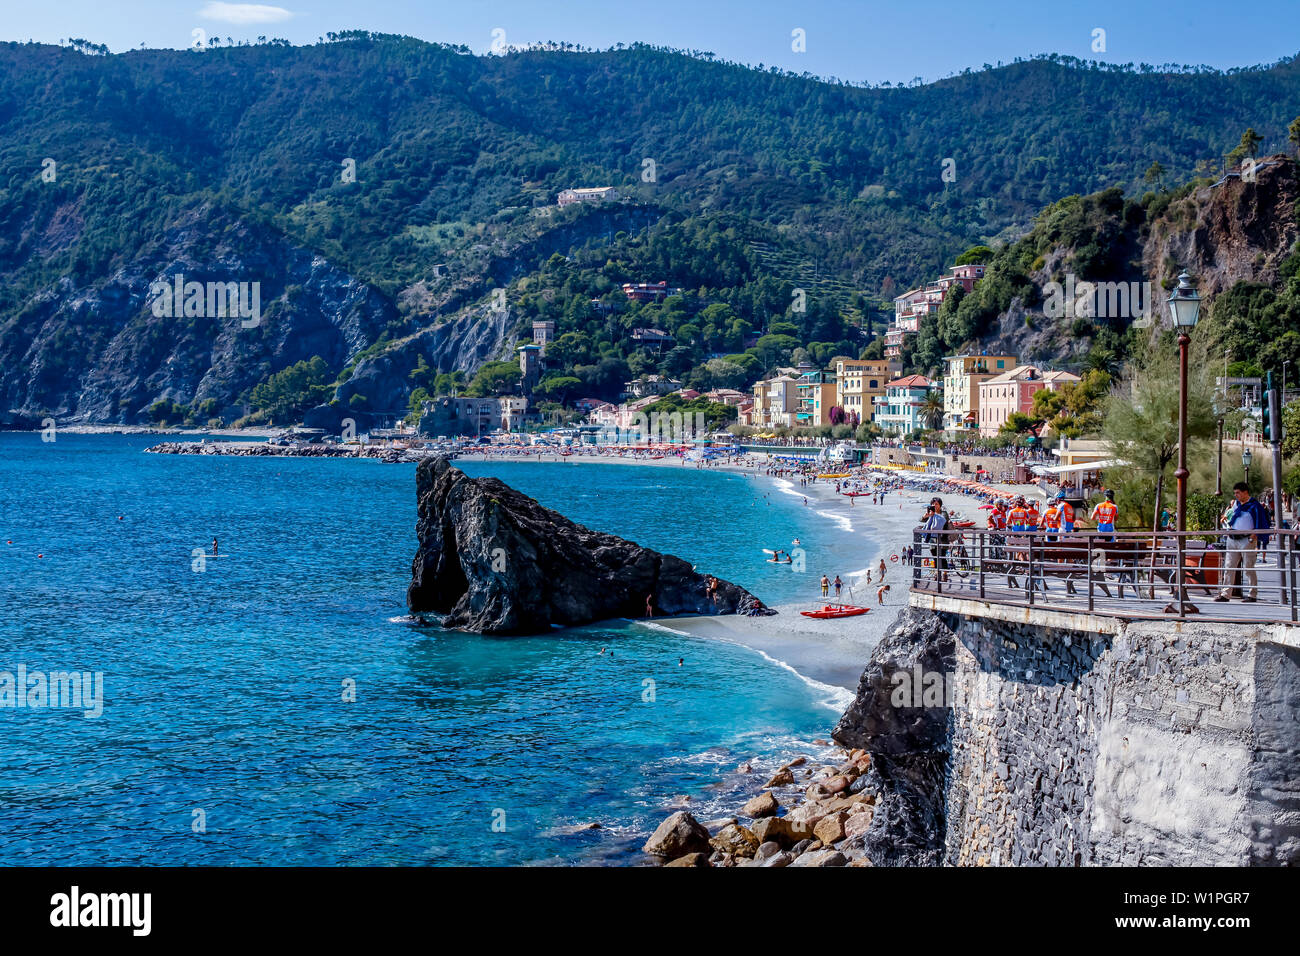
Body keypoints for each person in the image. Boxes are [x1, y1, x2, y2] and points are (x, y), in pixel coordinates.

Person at [1216, 482, 1270, 603]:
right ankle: (1225, 594)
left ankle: (1252, 594)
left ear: (1245, 492)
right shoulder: (1236, 504)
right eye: (1235, 493)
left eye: (1238, 493)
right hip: (1233, 537)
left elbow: (1260, 522)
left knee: (1248, 568)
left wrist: (1252, 537)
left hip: (1246, 539)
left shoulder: (1254, 506)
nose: (1236, 495)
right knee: (1229, 566)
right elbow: (1232, 516)